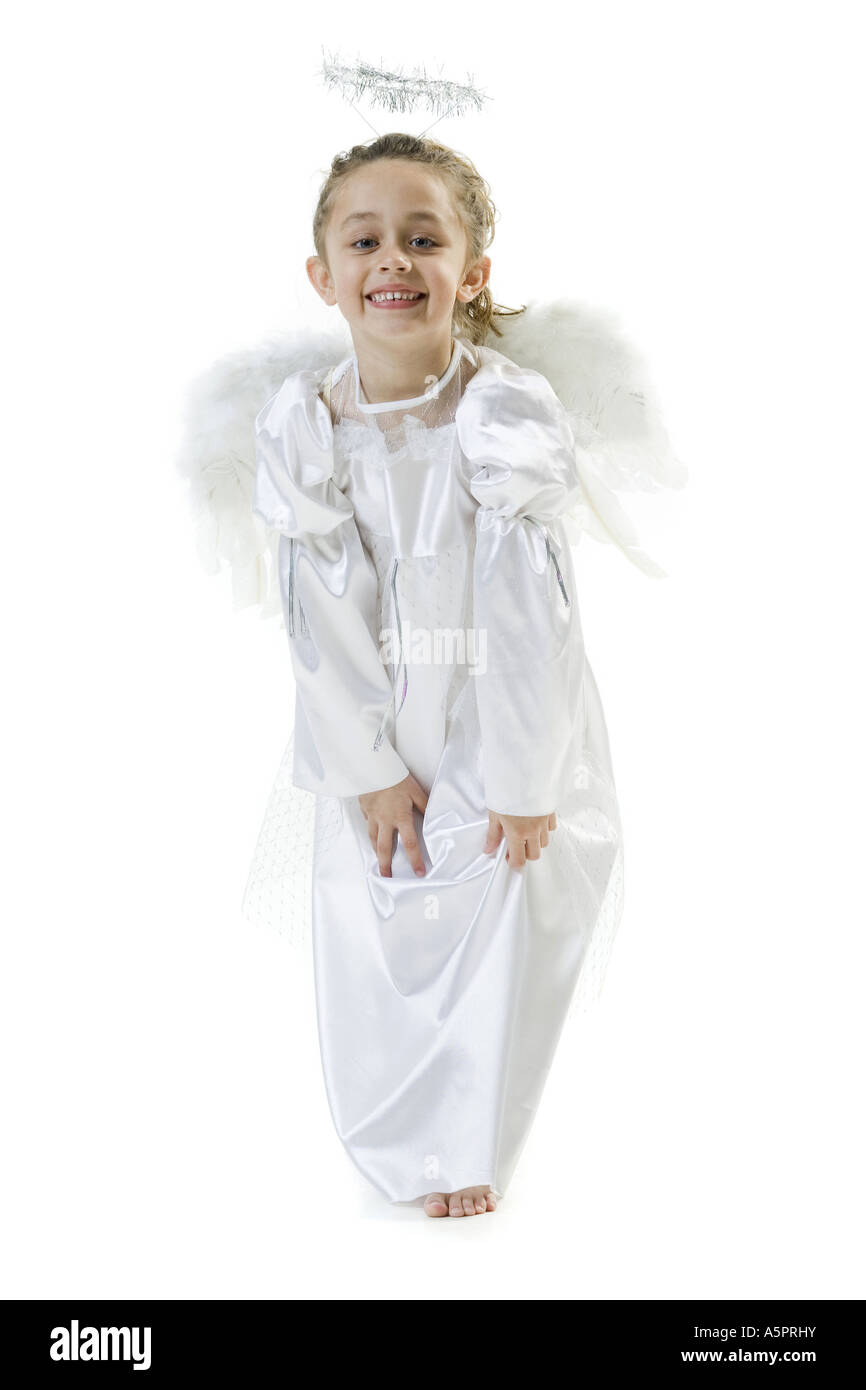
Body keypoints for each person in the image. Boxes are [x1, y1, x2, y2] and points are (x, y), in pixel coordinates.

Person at [251, 132, 623, 1218]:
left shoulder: (499, 417)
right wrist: (365, 763)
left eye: (424, 238)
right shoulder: (306, 425)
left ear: (473, 271)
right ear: (323, 274)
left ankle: (469, 1139)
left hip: (494, 703)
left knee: (495, 896)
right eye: (364, 239)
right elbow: (317, 607)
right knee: (377, 899)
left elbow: (527, 610)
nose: (394, 260)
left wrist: (519, 767)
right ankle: (392, 1119)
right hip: (368, 704)